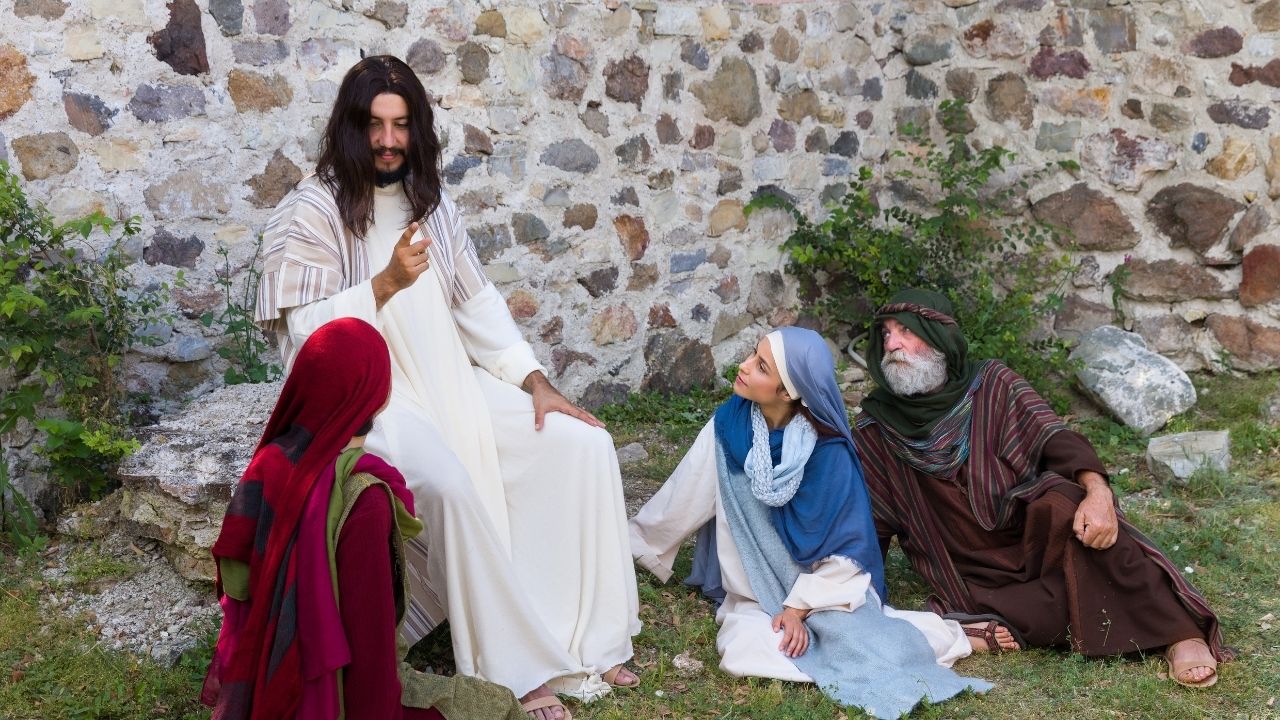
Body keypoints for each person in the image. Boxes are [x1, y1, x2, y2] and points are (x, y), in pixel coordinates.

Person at [253, 56, 640, 720]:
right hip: (371, 405)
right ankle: (514, 671)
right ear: (350, 127)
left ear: (418, 130)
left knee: (579, 445)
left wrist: (536, 382)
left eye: (402, 125)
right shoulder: (311, 212)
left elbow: (477, 303)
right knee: (449, 485)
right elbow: (302, 340)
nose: (388, 140)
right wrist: (383, 285)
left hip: (450, 382)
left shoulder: (430, 204)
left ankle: (591, 634)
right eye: (374, 125)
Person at [852, 288, 1234, 688]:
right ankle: (981, 626)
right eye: (887, 335)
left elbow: (1055, 439)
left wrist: (1099, 494)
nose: (892, 345)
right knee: (1047, 605)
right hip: (973, 572)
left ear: (940, 339)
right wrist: (858, 594)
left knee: (1071, 506)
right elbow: (870, 522)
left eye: (905, 332)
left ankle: (1180, 634)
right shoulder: (876, 430)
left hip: (1031, 536)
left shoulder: (994, 384)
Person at [629, 327, 991, 719]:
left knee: (850, 636)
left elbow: (847, 553)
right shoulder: (727, 427)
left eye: (761, 366)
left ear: (787, 392)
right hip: (755, 588)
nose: (744, 367)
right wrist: (630, 545)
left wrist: (797, 607)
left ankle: (952, 636)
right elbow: (681, 499)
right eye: (753, 355)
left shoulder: (828, 453)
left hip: (822, 586)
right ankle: (928, 637)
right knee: (743, 652)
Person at [202, 317, 527, 720]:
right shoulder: (364, 497)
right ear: (378, 395)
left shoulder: (268, 465)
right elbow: (369, 651)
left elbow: (237, 592)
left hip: (265, 679)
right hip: (338, 699)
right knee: (498, 709)